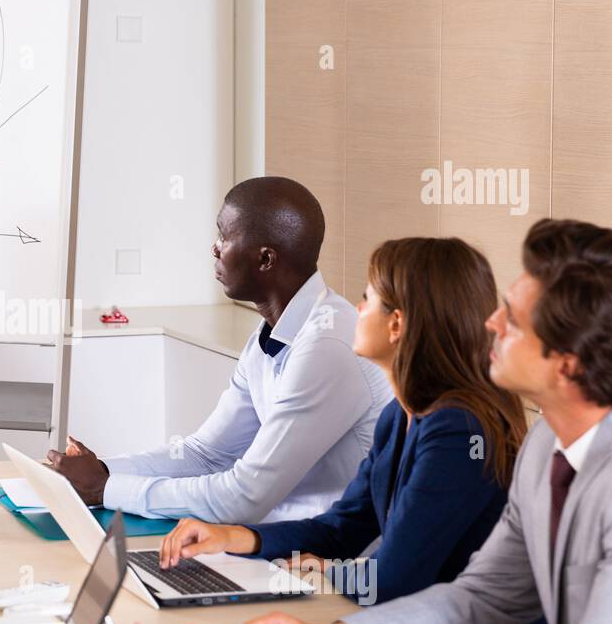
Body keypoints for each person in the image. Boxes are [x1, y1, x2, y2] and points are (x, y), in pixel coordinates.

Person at [235, 219, 612, 624]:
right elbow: (482, 598)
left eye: (514, 319)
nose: (491, 322)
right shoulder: (547, 442)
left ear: (567, 363)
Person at [159, 238, 549, 624]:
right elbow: (341, 529)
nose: (357, 310)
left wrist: (331, 572)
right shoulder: (400, 416)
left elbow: (394, 580)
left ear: (397, 325)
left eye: (367, 298)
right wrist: (235, 536)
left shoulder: (459, 432)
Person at [48, 177, 392, 523]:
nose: (215, 249)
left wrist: (104, 488)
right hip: (281, 534)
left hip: (328, 549)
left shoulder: (327, 345)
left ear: (265, 259)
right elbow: (206, 454)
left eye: (224, 237)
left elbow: (244, 496)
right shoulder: (272, 334)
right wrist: (101, 471)